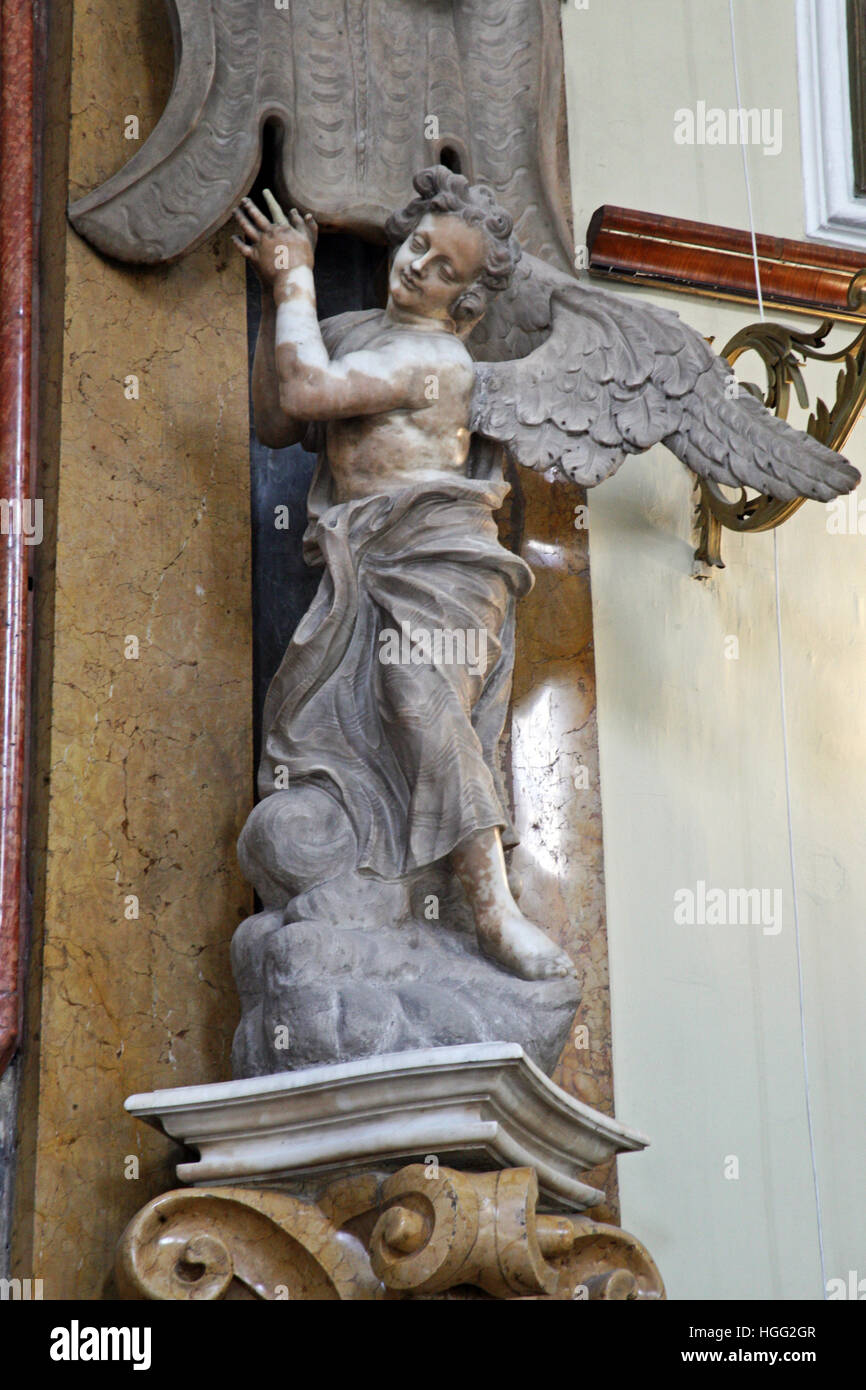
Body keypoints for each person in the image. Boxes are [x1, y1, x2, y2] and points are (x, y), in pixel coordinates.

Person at [232, 166, 575, 981]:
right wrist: (288, 300)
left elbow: (309, 387)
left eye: (445, 268)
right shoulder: (353, 332)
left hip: (441, 560)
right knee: (355, 731)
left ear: (467, 304)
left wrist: (292, 281)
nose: (419, 265)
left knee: (419, 703)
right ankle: (388, 888)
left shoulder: (440, 362)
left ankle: (494, 912)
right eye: (419, 245)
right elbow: (278, 416)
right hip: (363, 563)